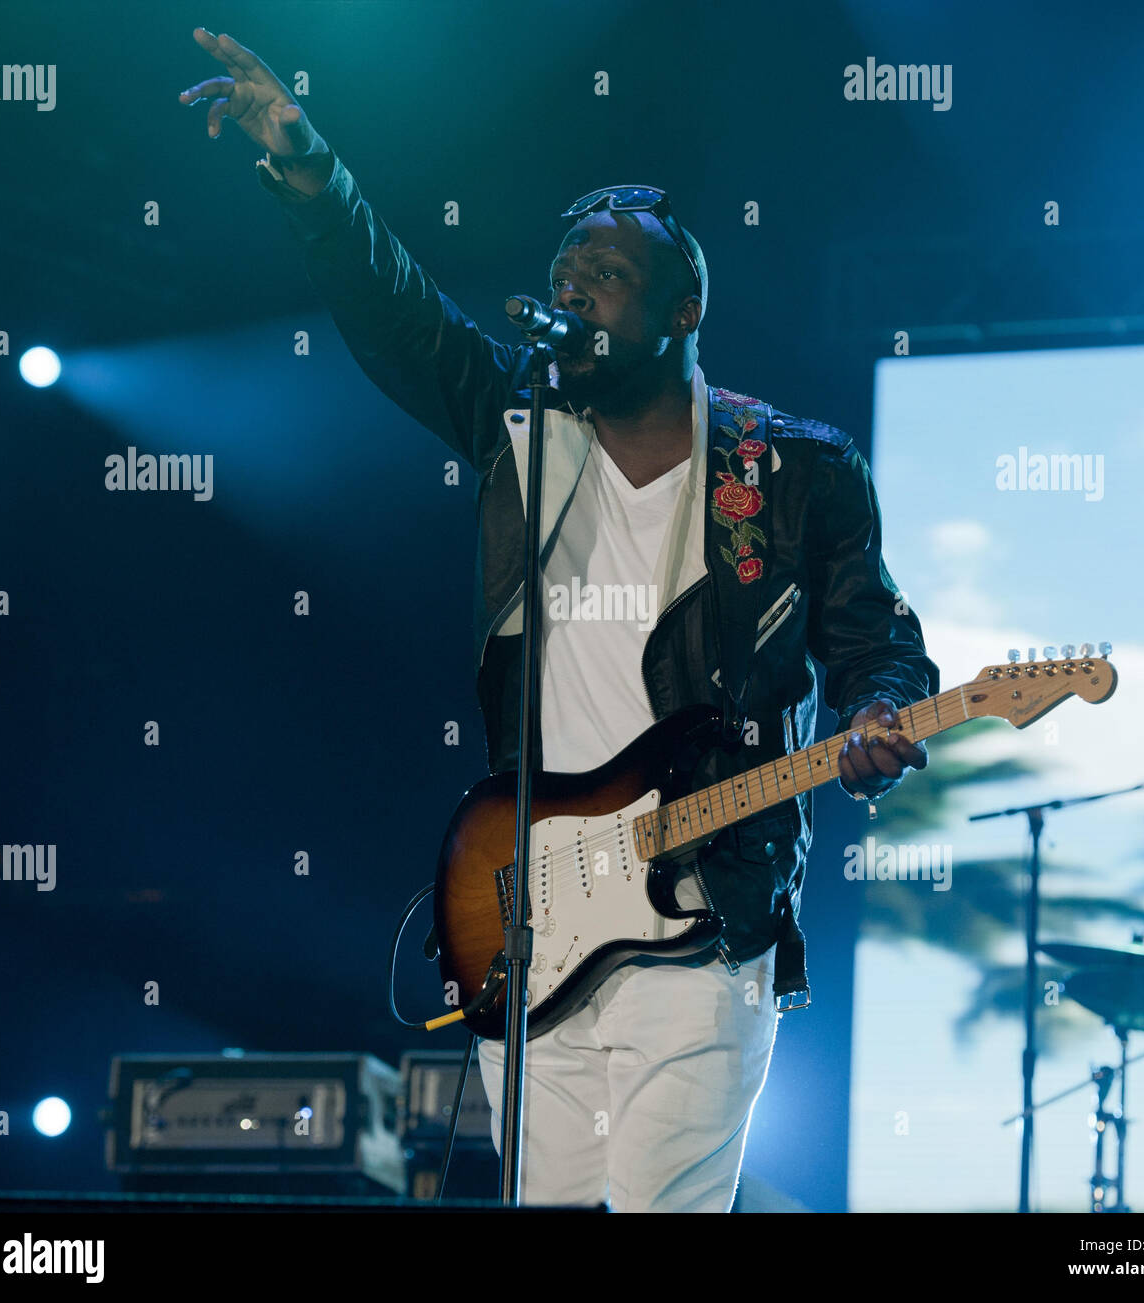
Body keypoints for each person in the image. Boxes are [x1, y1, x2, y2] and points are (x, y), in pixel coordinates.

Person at [178, 28, 939, 1212]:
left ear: (685, 303)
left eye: (606, 269)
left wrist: (881, 713)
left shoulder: (793, 471)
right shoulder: (521, 429)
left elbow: (872, 639)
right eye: (564, 266)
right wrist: (310, 165)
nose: (573, 282)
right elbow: (397, 313)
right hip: (532, 919)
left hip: (699, 919)